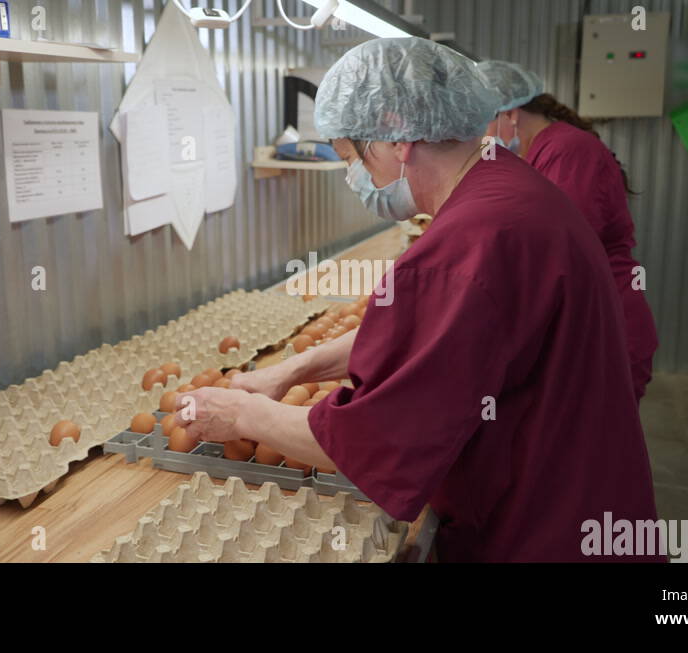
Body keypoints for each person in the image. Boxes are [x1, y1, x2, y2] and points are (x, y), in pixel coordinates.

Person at [175, 37, 662, 562]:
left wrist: (244, 416)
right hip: (585, 493)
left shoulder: (465, 244)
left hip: (542, 527)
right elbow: (429, 335)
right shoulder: (504, 188)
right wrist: (292, 371)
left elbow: (378, 441)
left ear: (396, 138)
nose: (356, 180)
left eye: (352, 159)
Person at [477, 60, 659, 402]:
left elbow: (558, 250)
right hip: (582, 323)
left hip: (605, 329)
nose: (481, 138)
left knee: (592, 447)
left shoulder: (567, 150)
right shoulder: (541, 152)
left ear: (511, 114)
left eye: (484, 123)